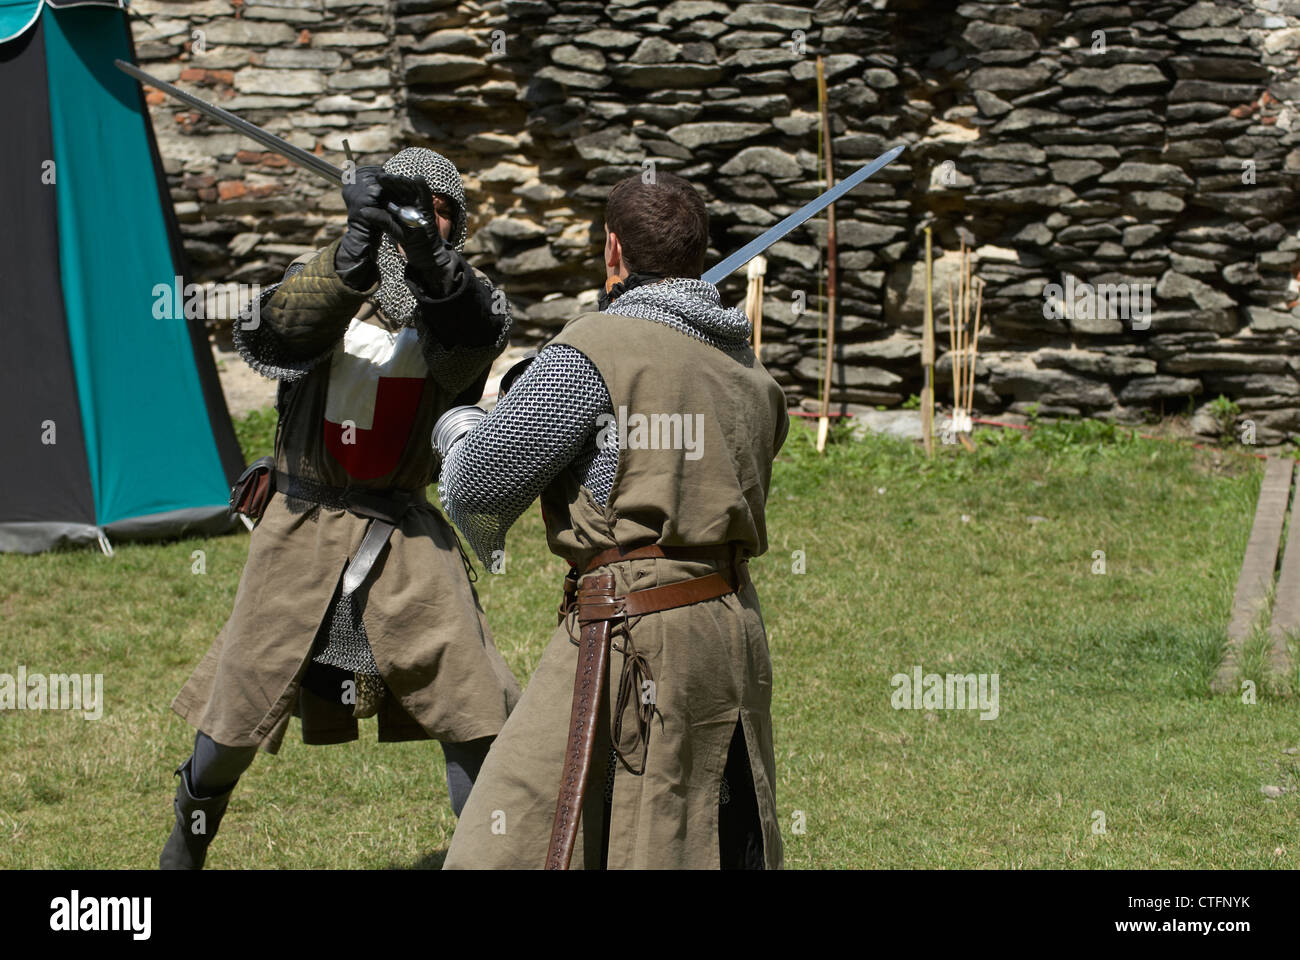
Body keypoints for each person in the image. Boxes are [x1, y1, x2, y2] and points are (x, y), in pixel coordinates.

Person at [160, 148, 521, 870]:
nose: (426, 217)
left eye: (441, 208)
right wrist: (356, 249)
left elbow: (471, 339)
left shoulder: (466, 297)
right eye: (412, 204)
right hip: (302, 522)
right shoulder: (327, 272)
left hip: (402, 529)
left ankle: (491, 860)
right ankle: (184, 848)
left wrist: (426, 259)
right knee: (236, 714)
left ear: (456, 223)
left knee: (475, 704)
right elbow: (278, 334)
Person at [435, 171, 788, 869]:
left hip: (630, 630)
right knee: (694, 836)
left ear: (613, 252)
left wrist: (463, 424)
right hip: (731, 627)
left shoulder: (594, 348)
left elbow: (478, 484)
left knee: (503, 847)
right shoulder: (747, 369)